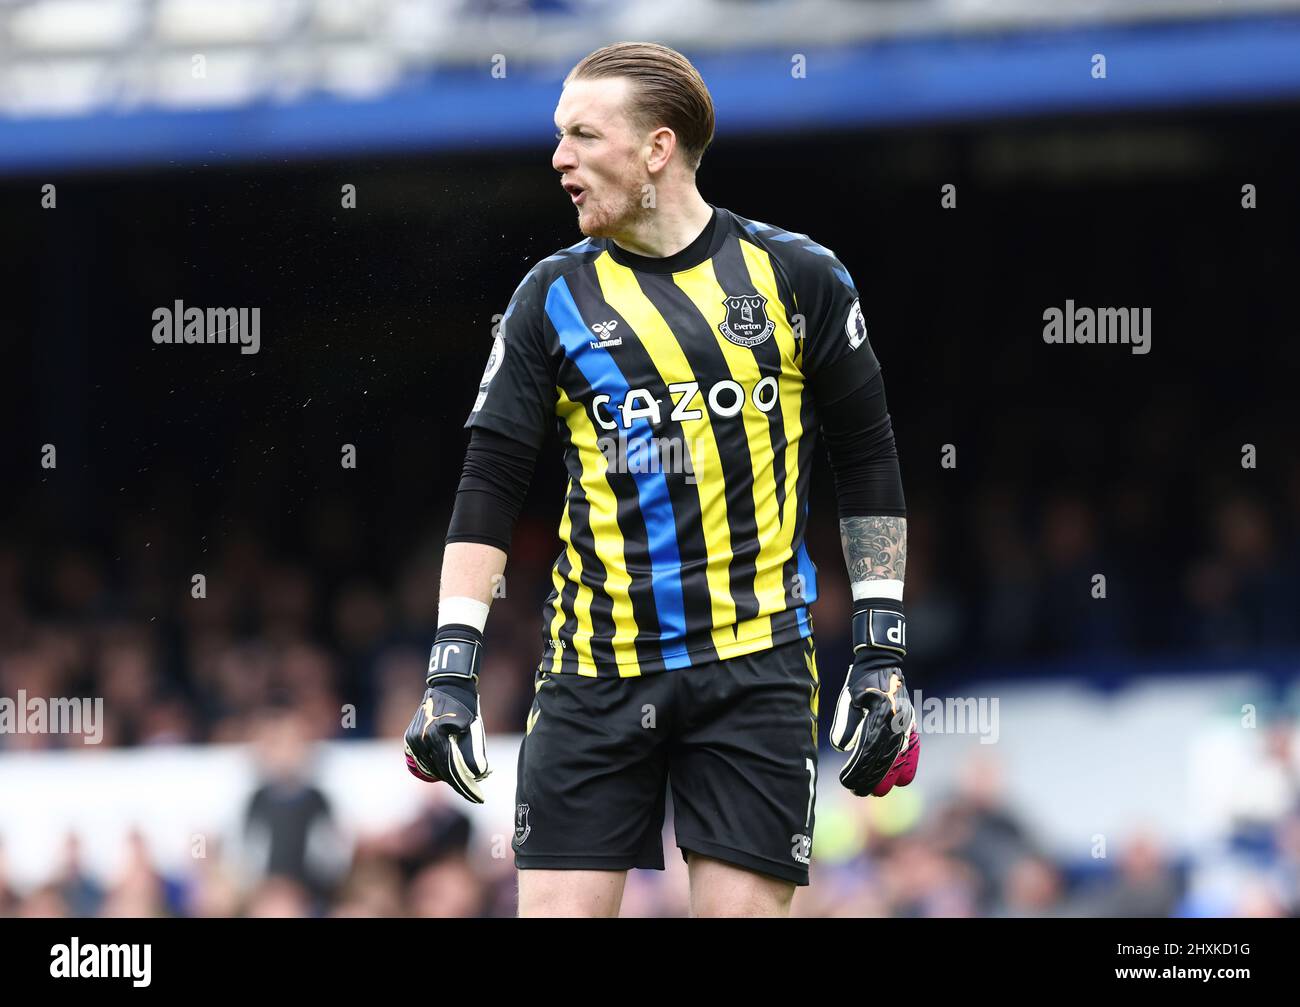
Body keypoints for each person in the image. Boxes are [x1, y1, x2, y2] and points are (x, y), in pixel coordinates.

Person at [405, 41, 916, 918]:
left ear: (656, 150)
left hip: (756, 667)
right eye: (558, 136)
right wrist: (452, 664)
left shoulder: (798, 278)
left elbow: (867, 457)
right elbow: (488, 483)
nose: (558, 159)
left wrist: (881, 650)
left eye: (581, 136)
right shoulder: (548, 298)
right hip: (594, 672)